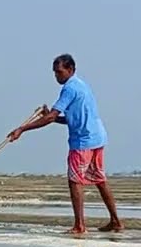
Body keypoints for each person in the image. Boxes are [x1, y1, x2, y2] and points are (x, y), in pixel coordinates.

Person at [7, 54, 123, 234]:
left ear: (70, 70)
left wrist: (22, 129)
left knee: (75, 181)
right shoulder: (82, 85)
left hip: (83, 141)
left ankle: (79, 226)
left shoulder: (69, 88)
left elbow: (51, 117)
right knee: (100, 180)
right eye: (54, 73)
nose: (56, 76)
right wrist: (50, 117)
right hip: (97, 137)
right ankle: (115, 221)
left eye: (59, 72)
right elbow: (70, 119)